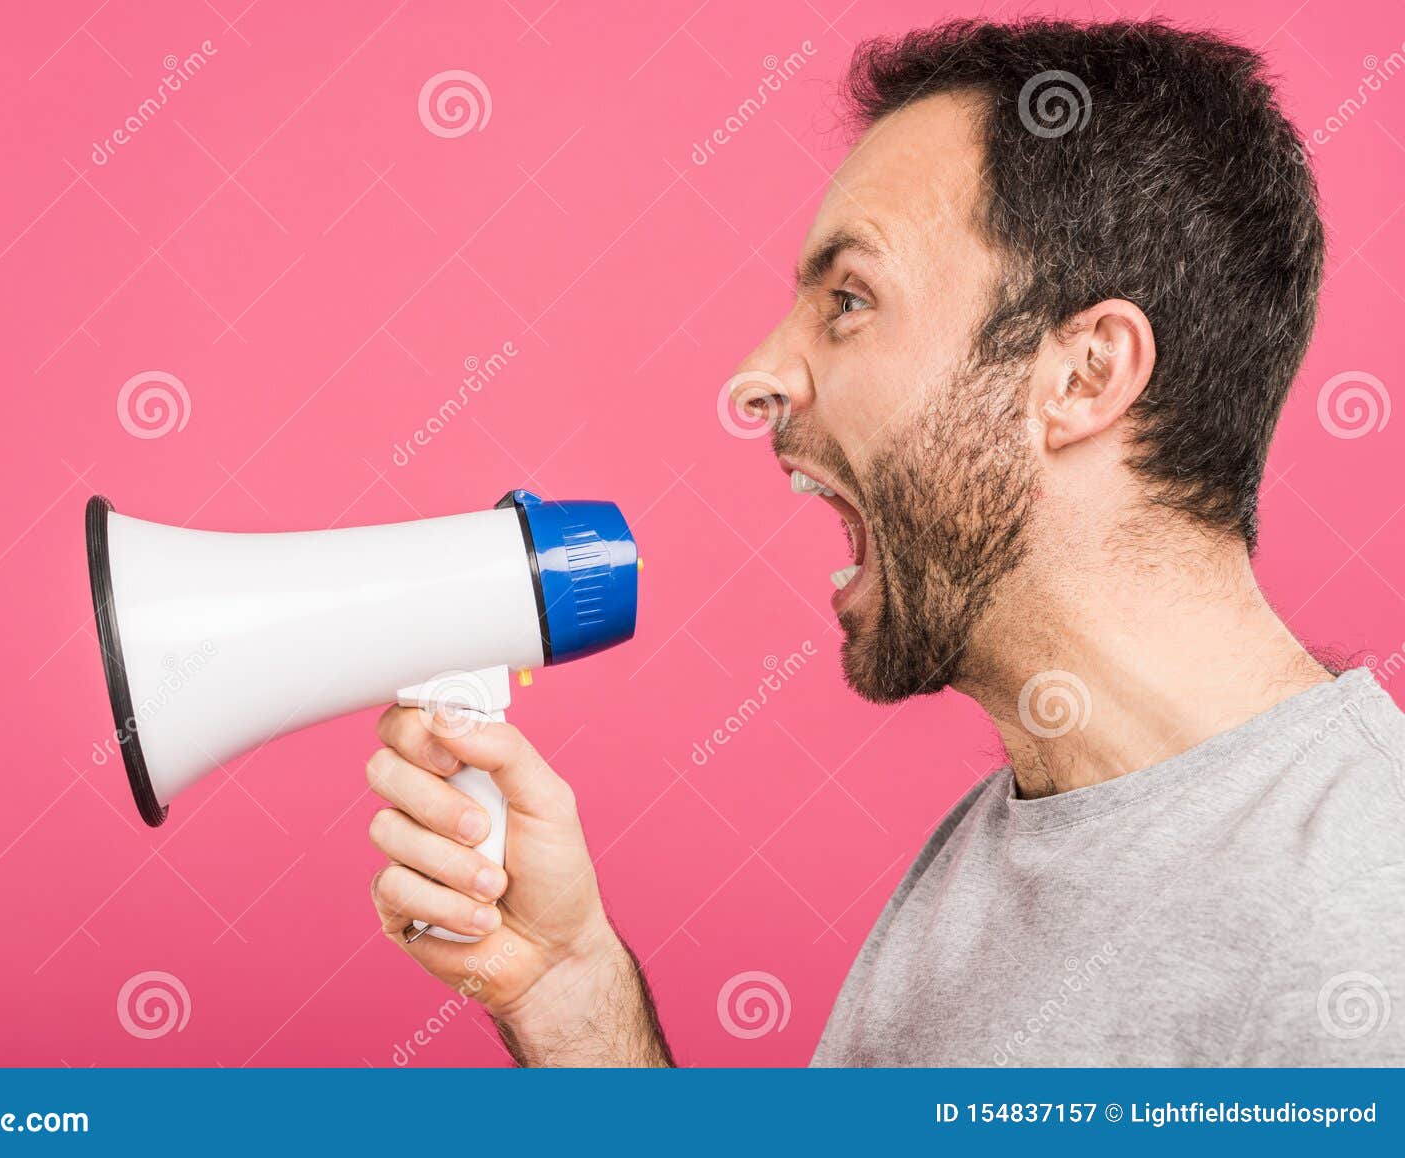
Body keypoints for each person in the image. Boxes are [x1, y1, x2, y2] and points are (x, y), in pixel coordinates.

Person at [361, 19, 1405, 1065]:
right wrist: (570, 993)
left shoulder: (1366, 920)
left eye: (849, 299)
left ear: (1084, 376)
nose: (761, 371)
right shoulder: (991, 859)